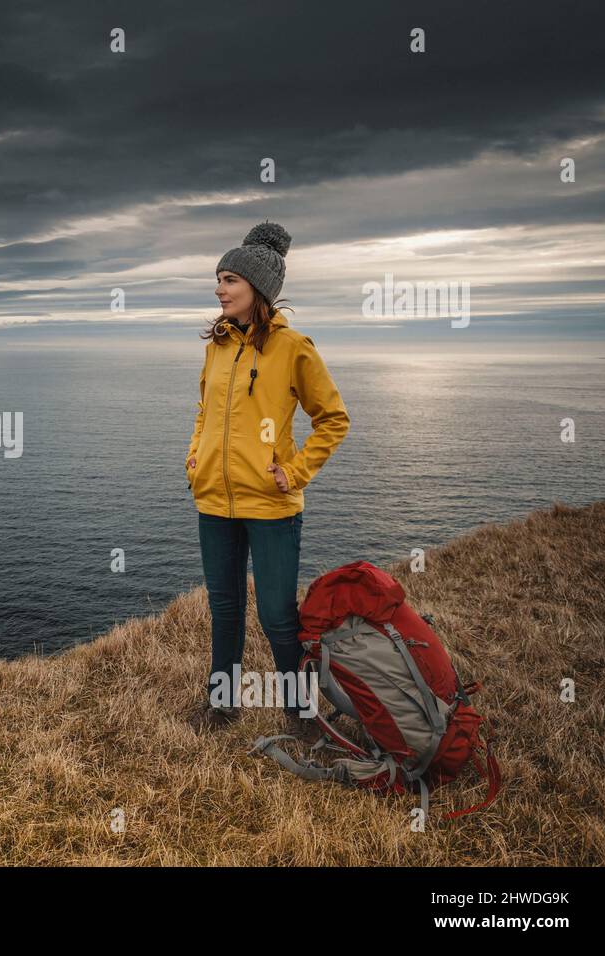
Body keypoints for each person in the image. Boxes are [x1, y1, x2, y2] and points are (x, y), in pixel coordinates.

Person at [184, 221, 350, 739]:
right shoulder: (217, 344)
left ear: (258, 288)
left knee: (279, 618)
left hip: (272, 505)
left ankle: (302, 716)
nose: (220, 288)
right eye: (219, 279)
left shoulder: (293, 348)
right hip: (214, 500)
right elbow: (204, 411)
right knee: (225, 611)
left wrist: (295, 471)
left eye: (230, 279)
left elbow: (333, 419)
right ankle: (222, 705)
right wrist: (194, 457)